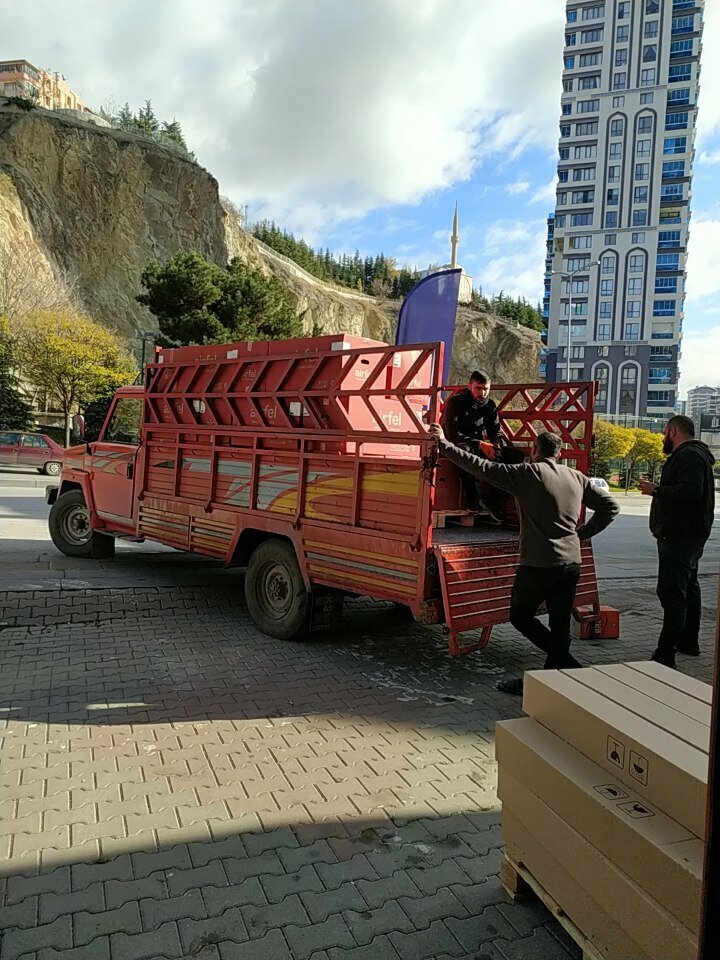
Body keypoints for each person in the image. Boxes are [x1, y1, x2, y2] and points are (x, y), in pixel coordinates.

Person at [429, 422, 619, 694]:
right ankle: (560, 666)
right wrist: (583, 533)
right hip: (571, 563)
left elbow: (480, 467)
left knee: (520, 616)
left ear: (534, 450)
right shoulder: (577, 477)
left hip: (539, 564)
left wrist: (445, 445)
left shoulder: (528, 474)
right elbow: (611, 506)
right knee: (560, 620)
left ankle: (554, 670)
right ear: (560, 454)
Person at [639, 415, 715, 668]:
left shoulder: (689, 456)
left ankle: (665, 653)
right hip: (690, 534)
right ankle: (687, 641)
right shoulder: (698, 455)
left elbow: (691, 493)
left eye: (664, 432)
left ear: (672, 431)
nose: (662, 437)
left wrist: (656, 490)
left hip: (679, 535)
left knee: (671, 592)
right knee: (688, 587)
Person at [441, 370, 524, 520]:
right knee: (463, 451)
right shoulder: (456, 402)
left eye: (485, 389)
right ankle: (472, 499)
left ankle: (490, 498)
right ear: (469, 386)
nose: (482, 393)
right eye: (478, 388)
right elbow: (452, 435)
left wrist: (496, 447)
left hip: (480, 444)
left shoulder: (489, 405)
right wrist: (481, 444)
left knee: (515, 456)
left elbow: (495, 432)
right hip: (458, 444)